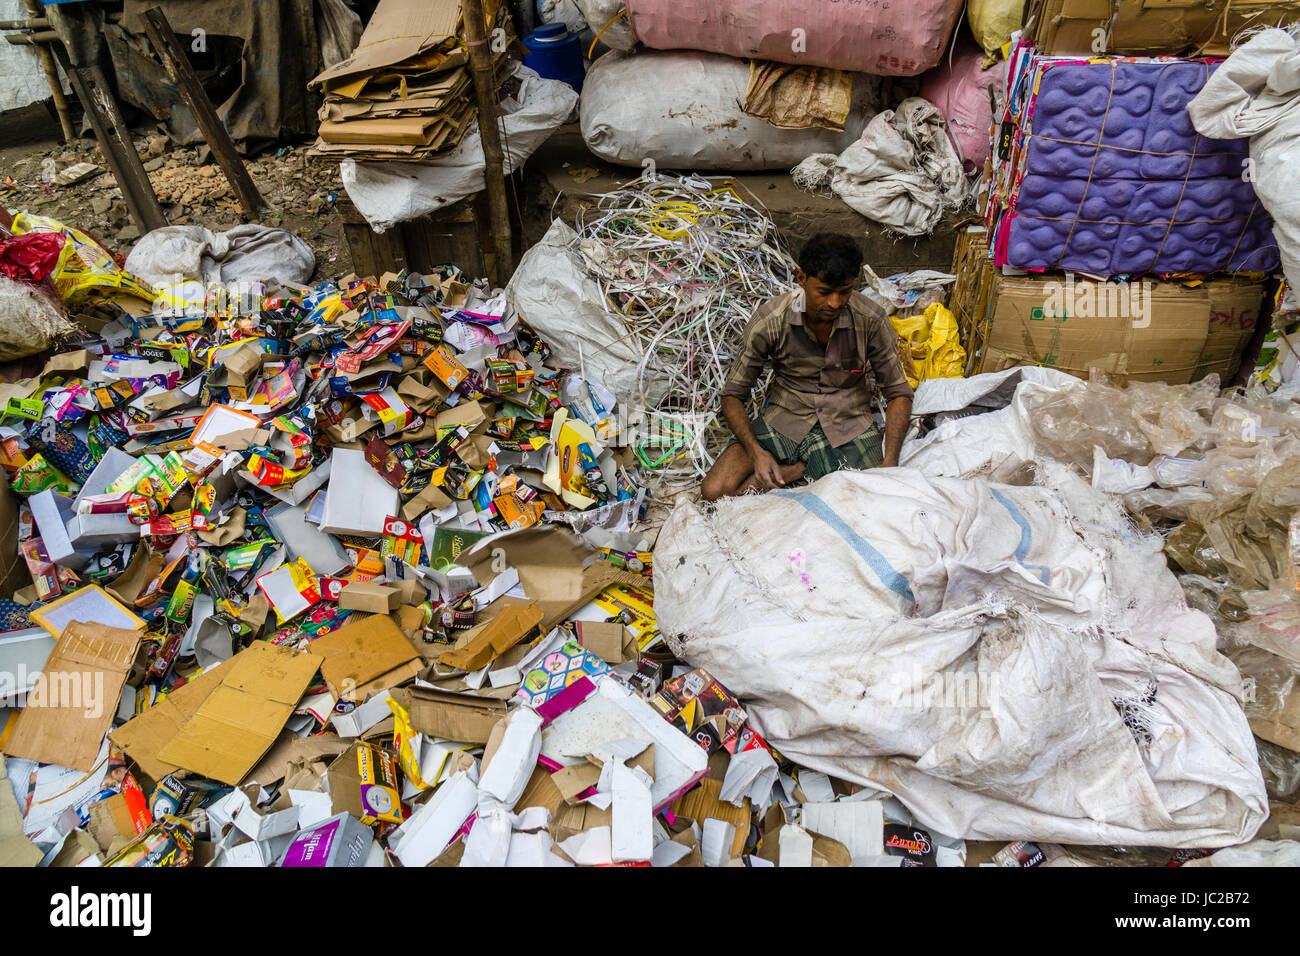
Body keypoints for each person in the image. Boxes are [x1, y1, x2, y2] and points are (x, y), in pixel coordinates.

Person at [701, 233, 913, 501]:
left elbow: (898, 393)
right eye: (824, 292)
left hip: (847, 423)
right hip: (786, 419)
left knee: (864, 500)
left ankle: (796, 472)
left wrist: (890, 464)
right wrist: (757, 453)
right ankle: (804, 470)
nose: (835, 303)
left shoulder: (870, 319)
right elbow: (732, 395)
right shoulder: (772, 319)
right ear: (801, 278)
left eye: (845, 291)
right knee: (715, 492)